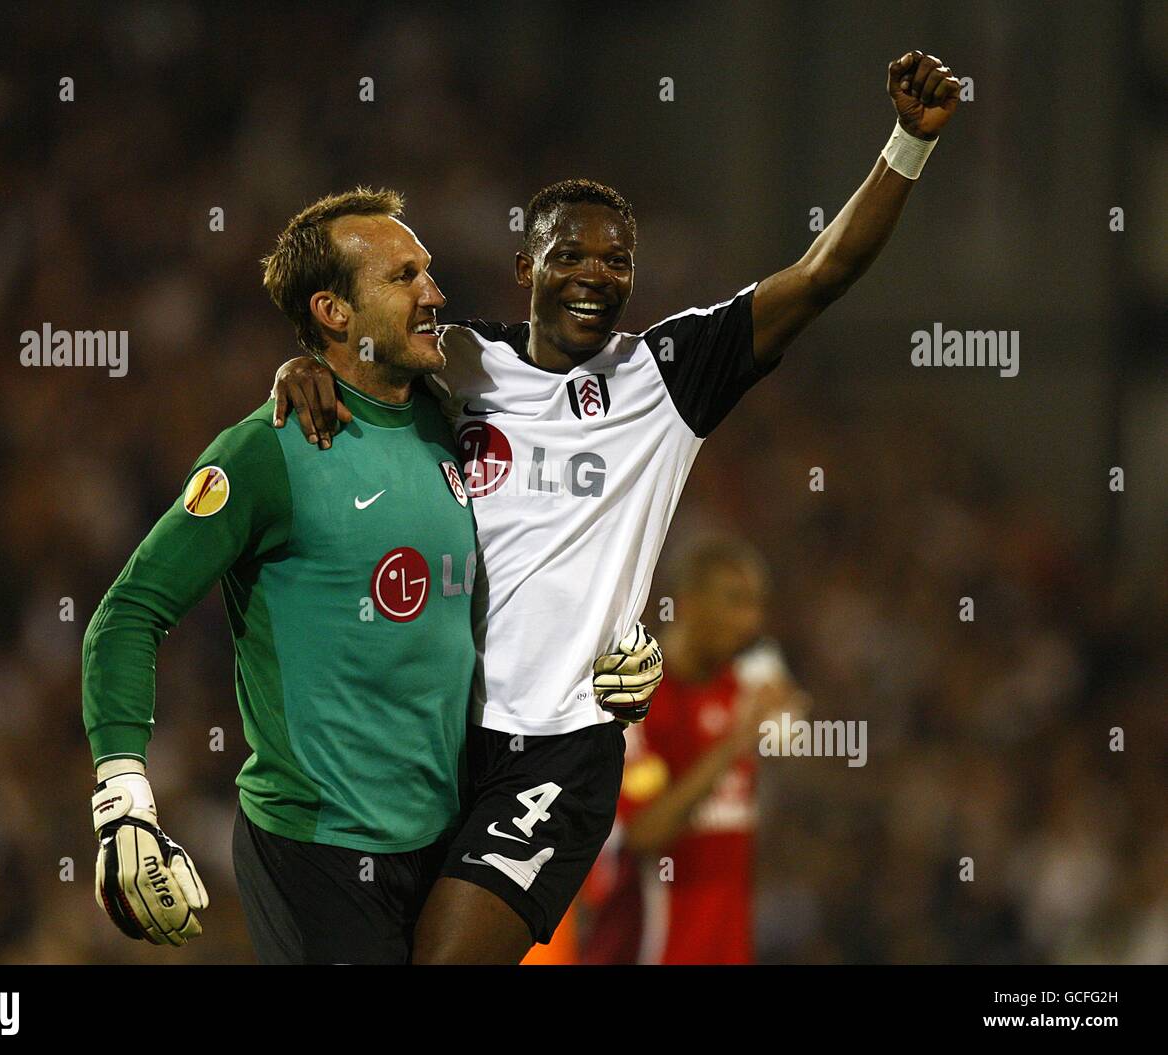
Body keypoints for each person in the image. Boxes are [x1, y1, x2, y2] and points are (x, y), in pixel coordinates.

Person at [273, 51, 962, 963]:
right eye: (571, 254)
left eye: (617, 260)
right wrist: (300, 369)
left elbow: (820, 275)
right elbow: (355, 352)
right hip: (434, 737)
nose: (595, 274)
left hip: (563, 750)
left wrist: (909, 142)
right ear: (528, 265)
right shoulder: (463, 364)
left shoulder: (667, 376)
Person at [81, 188, 660, 964]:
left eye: (427, 270)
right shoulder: (265, 451)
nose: (436, 293)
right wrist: (124, 803)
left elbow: (536, 554)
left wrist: (623, 646)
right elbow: (127, 613)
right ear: (334, 310)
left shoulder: (453, 414)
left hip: (445, 835)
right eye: (404, 277)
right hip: (316, 849)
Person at [581, 538, 805, 964]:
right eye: (735, 603)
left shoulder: (738, 689)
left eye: (758, 605)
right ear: (687, 604)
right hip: (652, 946)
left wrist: (789, 726)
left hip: (728, 948)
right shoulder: (638, 699)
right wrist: (735, 742)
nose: (750, 622)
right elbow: (642, 834)